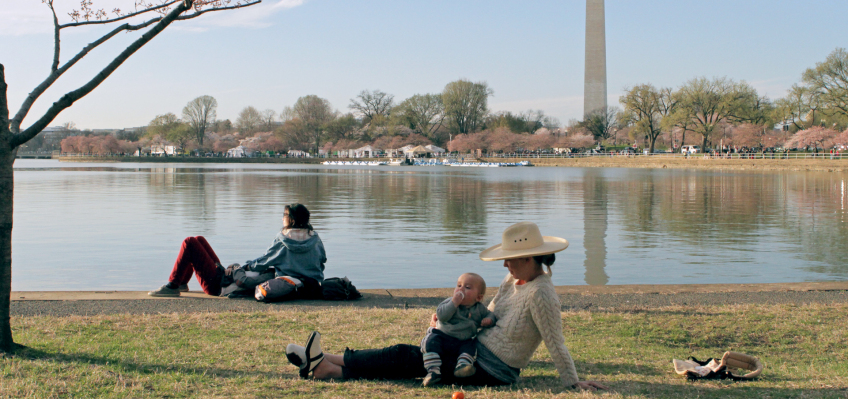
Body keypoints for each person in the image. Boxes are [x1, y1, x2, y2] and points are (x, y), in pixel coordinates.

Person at [285, 222, 608, 392]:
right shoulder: (513, 281)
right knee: (413, 359)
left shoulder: (543, 294)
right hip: (471, 347)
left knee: (406, 356)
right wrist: (452, 317)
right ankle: (327, 367)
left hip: (493, 370)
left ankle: (327, 360)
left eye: (511, 259)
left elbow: (556, 342)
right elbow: (485, 313)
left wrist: (572, 381)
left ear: (531, 259)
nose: (506, 264)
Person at [148, 203, 326, 298]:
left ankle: (172, 286)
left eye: (284, 215)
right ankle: (181, 283)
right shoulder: (315, 239)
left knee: (190, 242)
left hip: (218, 286)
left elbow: (262, 263)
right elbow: (322, 261)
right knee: (198, 240)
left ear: (292, 220)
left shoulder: (284, 240)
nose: (282, 218)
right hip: (308, 282)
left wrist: (242, 267)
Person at [421, 272, 496, 387]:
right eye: (459, 286)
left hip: (463, 340)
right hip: (442, 335)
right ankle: (433, 370)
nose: (461, 289)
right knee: (430, 342)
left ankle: (463, 366)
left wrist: (488, 320)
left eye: (467, 287)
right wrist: (454, 303)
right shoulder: (450, 302)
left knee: (471, 347)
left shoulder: (479, 309)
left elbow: (490, 314)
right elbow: (441, 315)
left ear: (479, 297)